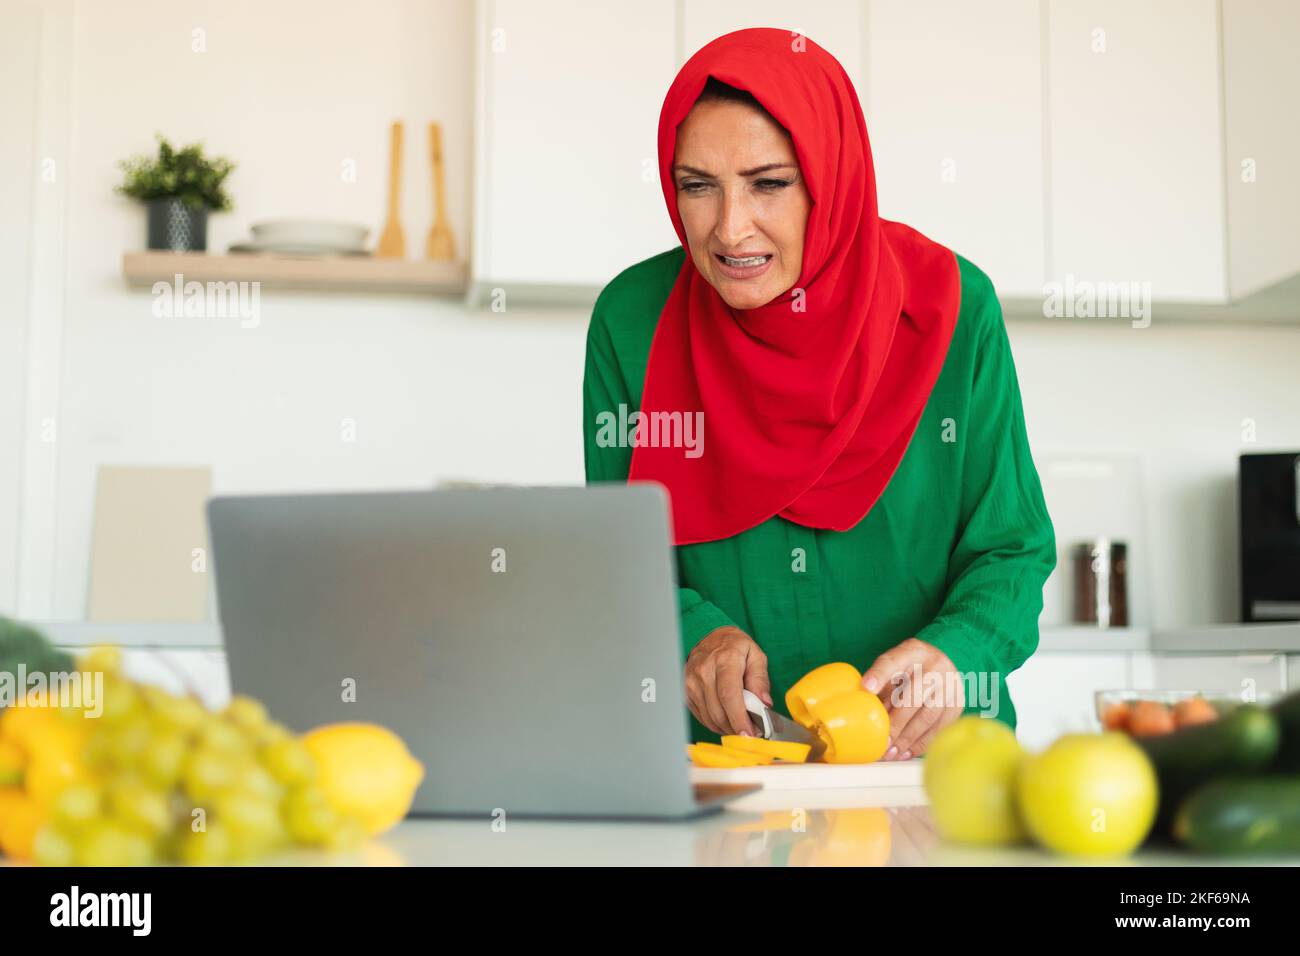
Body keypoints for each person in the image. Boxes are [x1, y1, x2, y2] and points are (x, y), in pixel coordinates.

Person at [583, 28, 1056, 760]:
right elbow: (619, 552)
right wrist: (693, 633)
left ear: (830, 177)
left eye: (769, 183)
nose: (728, 228)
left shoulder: (951, 307)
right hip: (729, 769)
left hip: (931, 768)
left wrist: (956, 654)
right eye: (696, 185)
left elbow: (1012, 549)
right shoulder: (632, 321)